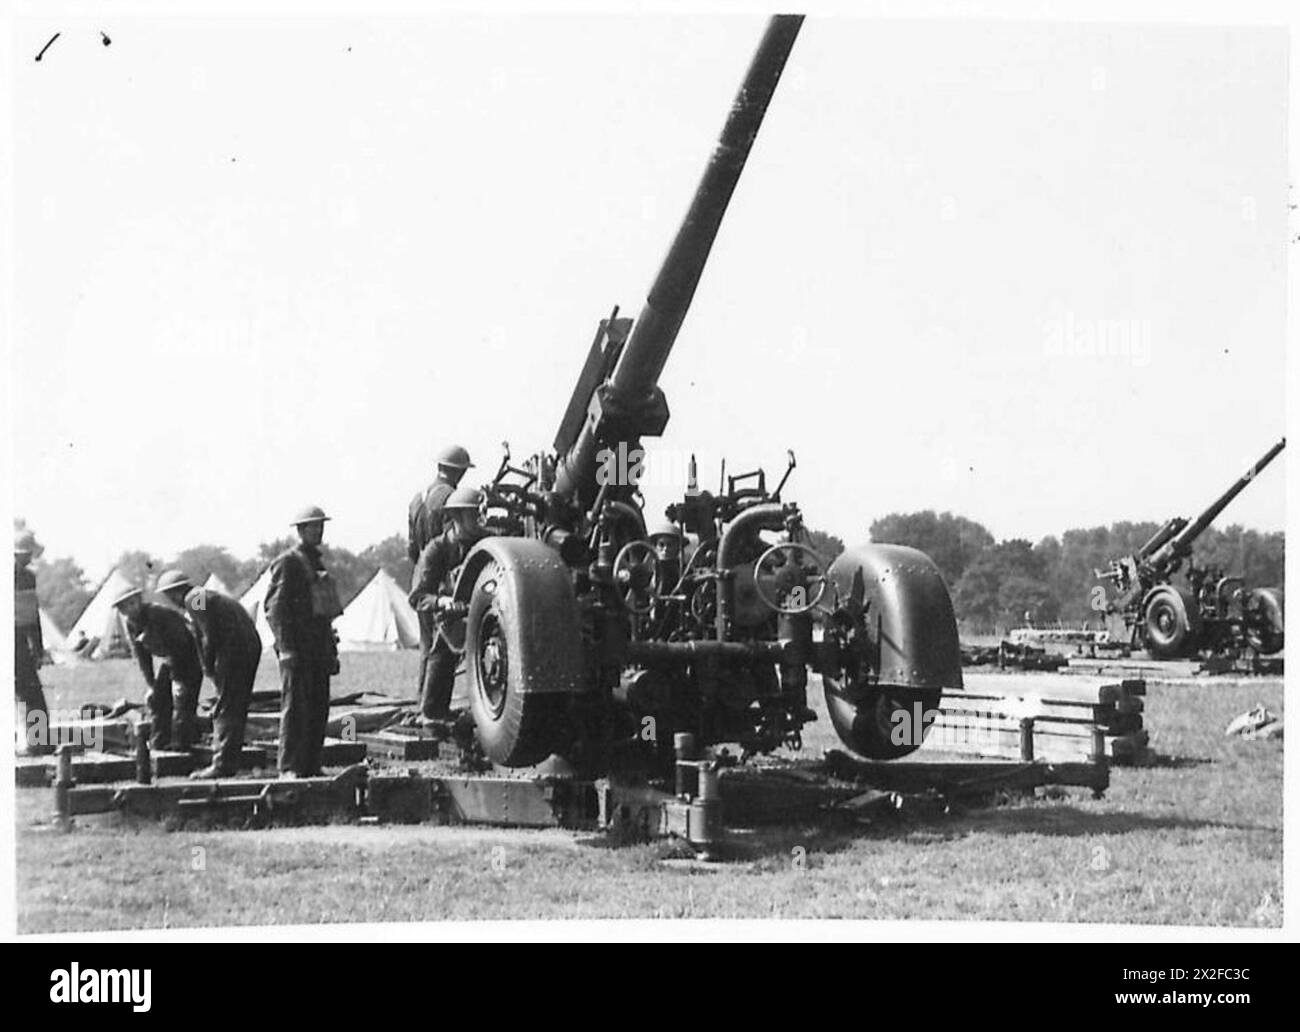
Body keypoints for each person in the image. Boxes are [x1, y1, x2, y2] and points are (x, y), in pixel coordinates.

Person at [156, 570, 262, 779]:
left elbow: (208, 634)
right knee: (234, 705)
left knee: (225, 707)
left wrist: (207, 665)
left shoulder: (193, 598)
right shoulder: (204, 595)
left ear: (173, 593)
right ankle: (230, 759)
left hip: (233, 651)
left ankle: (222, 765)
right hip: (247, 646)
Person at [265, 505, 343, 778]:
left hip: (317, 648)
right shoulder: (289, 562)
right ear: (300, 530)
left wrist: (330, 649)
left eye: (321, 526)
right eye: (313, 526)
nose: (318, 531)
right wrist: (285, 647)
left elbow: (323, 611)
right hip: (296, 649)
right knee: (296, 709)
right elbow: (274, 608)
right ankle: (289, 767)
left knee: (318, 707)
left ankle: (310, 763)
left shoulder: (315, 562)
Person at [408, 486, 488, 720]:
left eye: (478, 513)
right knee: (442, 652)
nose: (478, 519)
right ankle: (433, 713)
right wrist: (442, 601)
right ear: (457, 517)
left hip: (485, 612)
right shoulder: (437, 549)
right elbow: (418, 596)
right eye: (473, 514)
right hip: (452, 618)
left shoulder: (488, 541)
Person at [409, 445, 473, 705]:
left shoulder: (418, 498)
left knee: (428, 646)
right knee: (441, 649)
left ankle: (422, 703)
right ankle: (431, 708)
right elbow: (455, 545)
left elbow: (412, 547)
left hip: (423, 574)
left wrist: (424, 570)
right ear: (458, 472)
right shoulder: (451, 498)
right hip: (444, 583)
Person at [111, 583, 204, 751]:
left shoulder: (158, 614)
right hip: (170, 659)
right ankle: (159, 742)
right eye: (124, 608)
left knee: (182, 699)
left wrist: (177, 679)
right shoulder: (131, 624)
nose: (129, 610)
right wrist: (151, 685)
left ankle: (183, 744)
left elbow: (181, 643)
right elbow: (142, 656)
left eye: (132, 604)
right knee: (157, 699)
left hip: (189, 656)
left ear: (139, 601)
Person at [14, 543, 52, 755]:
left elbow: (31, 614)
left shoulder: (28, 577)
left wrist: (37, 647)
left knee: (30, 691)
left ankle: (37, 741)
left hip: (18, 638)